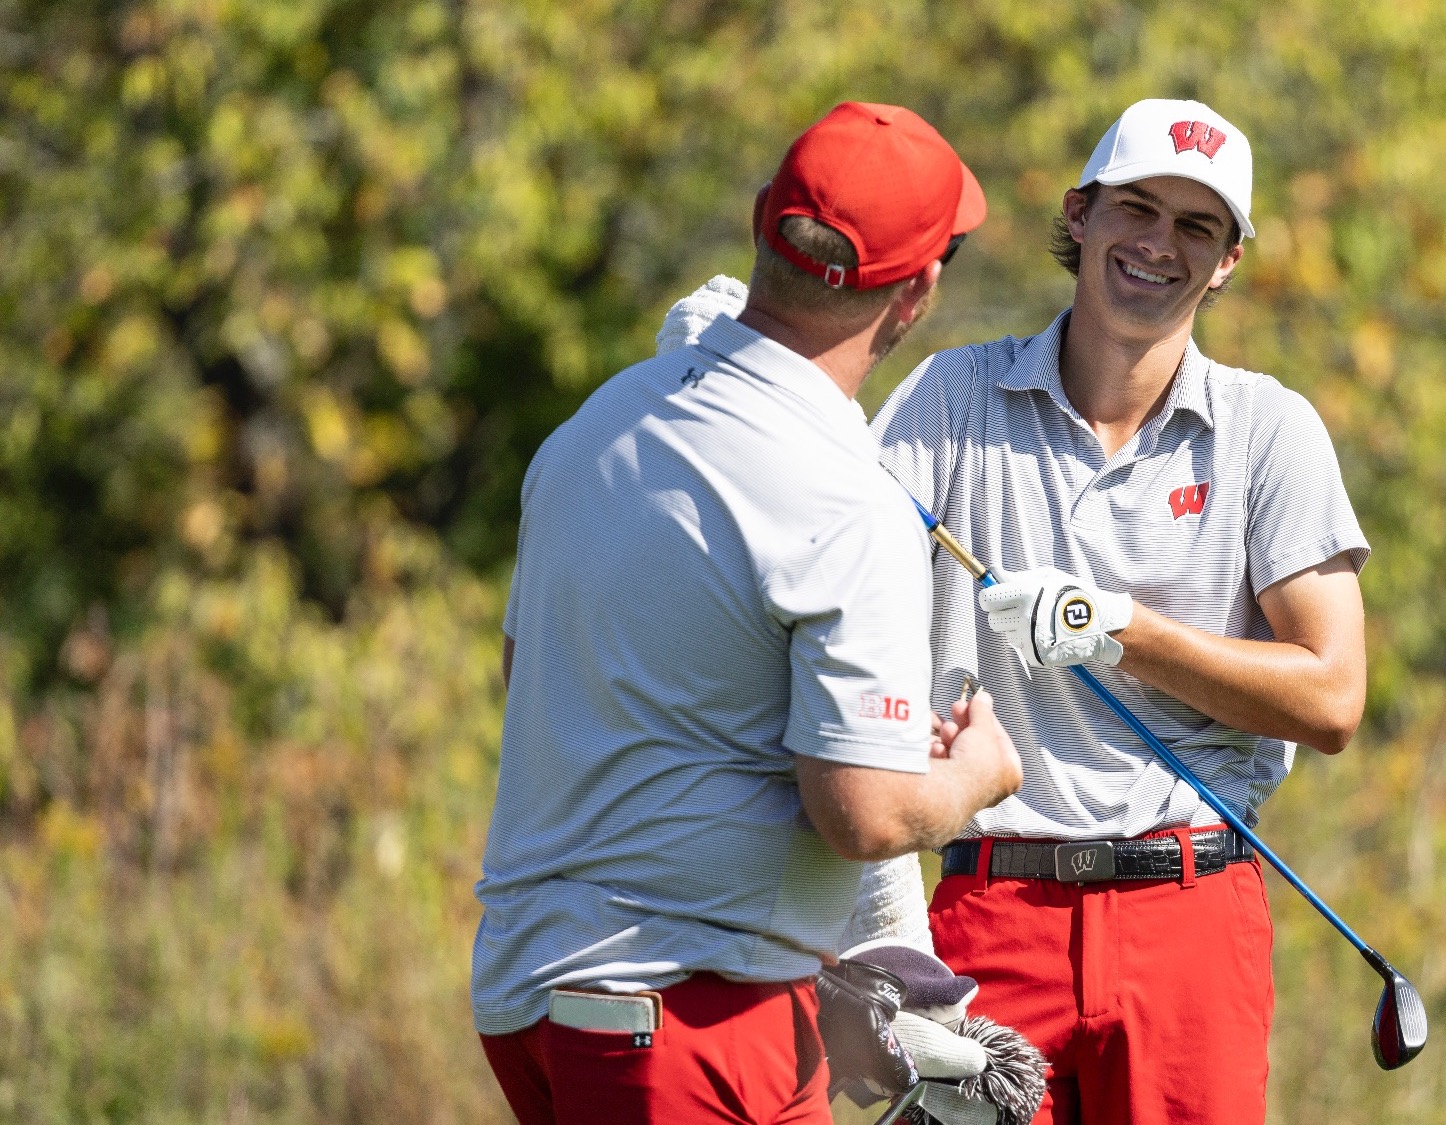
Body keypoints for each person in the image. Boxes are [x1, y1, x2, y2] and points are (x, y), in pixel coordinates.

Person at [471, 101, 1023, 1125]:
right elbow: (860, 814)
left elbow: (533, 676)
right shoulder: (843, 496)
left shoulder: (597, 423)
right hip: (684, 1022)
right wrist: (969, 778)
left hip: (533, 1002)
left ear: (764, 222)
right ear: (919, 289)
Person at [869, 98, 1372, 1125]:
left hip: (1189, 906)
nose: (1159, 245)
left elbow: (1330, 699)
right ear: (1079, 214)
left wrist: (1122, 633)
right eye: (1136, 209)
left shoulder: (1266, 431)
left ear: (1228, 259)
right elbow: (830, 591)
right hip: (990, 901)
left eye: (1197, 227)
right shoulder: (949, 398)